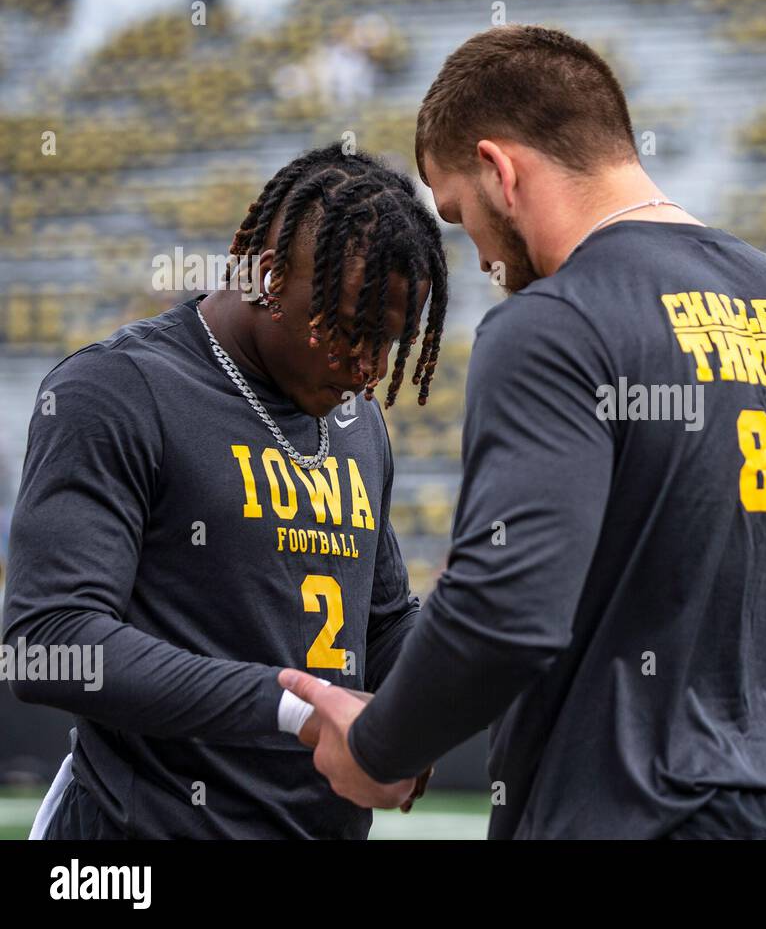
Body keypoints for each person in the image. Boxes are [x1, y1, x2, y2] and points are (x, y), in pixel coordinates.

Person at [286, 25, 766, 840]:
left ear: (500, 169)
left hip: (627, 814)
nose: (476, 255)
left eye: (458, 214)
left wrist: (377, 747)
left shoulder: (555, 323)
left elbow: (505, 609)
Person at [2, 144, 448, 838]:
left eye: (389, 343)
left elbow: (382, 627)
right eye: (349, 333)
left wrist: (481, 646)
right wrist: (297, 710)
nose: (369, 369)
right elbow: (49, 641)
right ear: (268, 278)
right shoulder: (116, 389)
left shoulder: (356, 420)